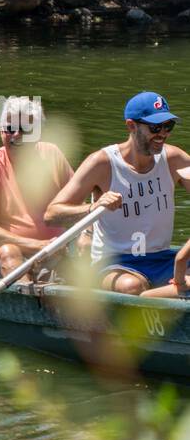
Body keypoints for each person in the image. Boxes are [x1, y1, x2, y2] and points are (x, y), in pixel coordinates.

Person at [46, 92, 189, 295]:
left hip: (162, 258)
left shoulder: (175, 159)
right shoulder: (102, 163)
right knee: (131, 287)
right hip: (115, 263)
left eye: (168, 126)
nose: (163, 134)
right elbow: (51, 214)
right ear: (131, 126)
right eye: (155, 127)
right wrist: (93, 208)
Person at [0, 96, 79, 280]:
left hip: (54, 252)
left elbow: (77, 204)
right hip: (2, 258)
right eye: (10, 129)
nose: (16, 135)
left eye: (25, 129)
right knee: (9, 253)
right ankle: (30, 297)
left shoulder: (52, 154)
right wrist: (38, 246)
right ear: (0, 131)